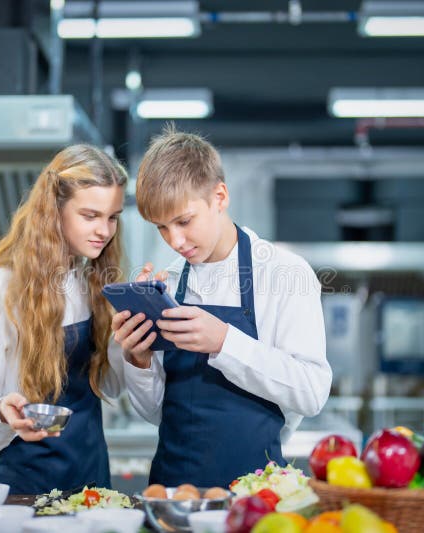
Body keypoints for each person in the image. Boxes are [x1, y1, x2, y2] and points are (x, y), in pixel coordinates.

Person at [112, 127, 332, 487]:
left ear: (220, 196)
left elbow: (311, 392)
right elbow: (158, 413)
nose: (175, 240)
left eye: (184, 221)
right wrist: (138, 361)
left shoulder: (283, 273)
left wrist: (224, 342)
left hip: (255, 497)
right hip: (172, 493)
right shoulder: (169, 282)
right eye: (162, 228)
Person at [0, 144, 128, 494]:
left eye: (112, 217)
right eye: (90, 216)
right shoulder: (1, 288)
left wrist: (132, 339)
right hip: (20, 485)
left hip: (91, 483)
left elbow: (110, 386)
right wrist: (2, 412)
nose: (104, 231)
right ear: (54, 210)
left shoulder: (91, 283)